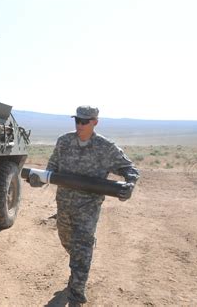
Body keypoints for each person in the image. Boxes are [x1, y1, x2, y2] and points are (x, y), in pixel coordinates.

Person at [46, 105, 140, 305]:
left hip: (88, 207)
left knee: (82, 248)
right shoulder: (64, 141)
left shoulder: (104, 147)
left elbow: (129, 168)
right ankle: (79, 261)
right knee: (66, 240)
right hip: (63, 204)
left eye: (84, 121)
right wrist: (41, 178)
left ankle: (76, 293)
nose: (79, 124)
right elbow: (52, 167)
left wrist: (130, 183)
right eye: (76, 120)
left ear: (95, 122)